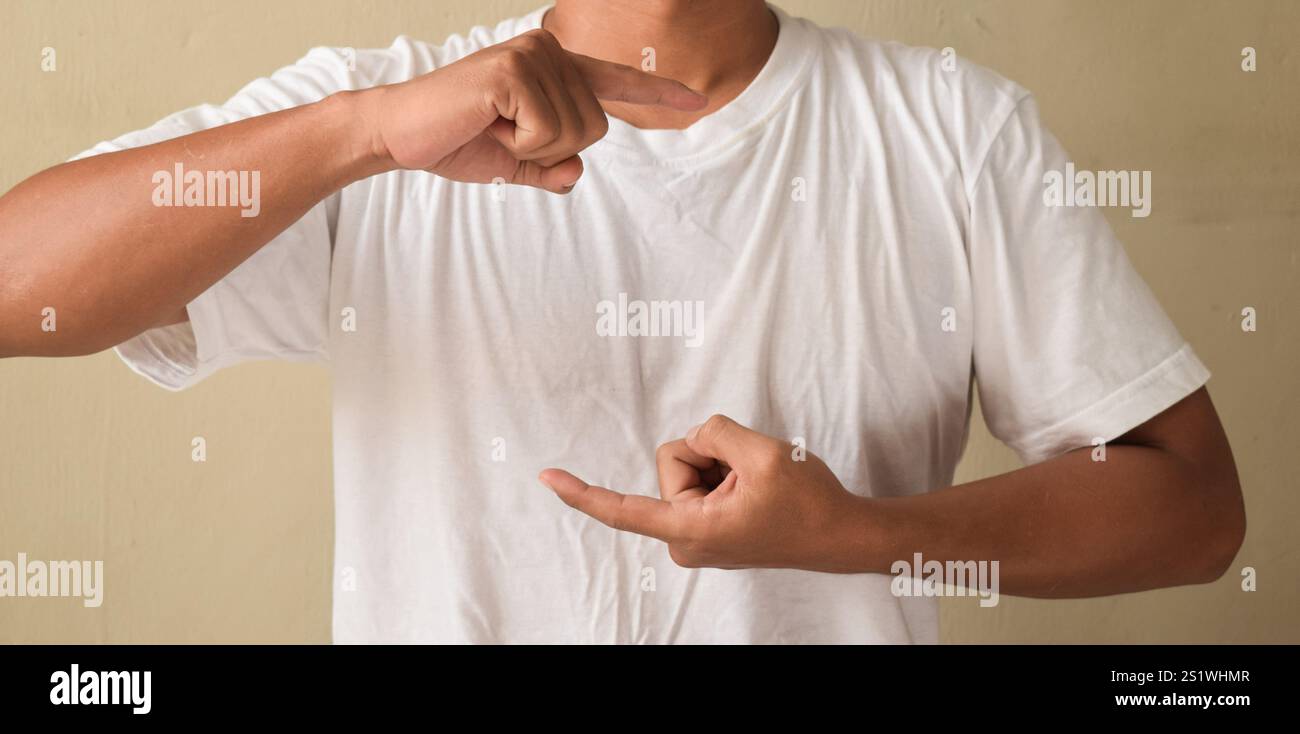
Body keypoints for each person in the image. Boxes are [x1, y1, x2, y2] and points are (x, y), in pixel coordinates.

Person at [0, 0, 1244, 643]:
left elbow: (1190, 509)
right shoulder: (374, 114)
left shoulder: (952, 127)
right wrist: (359, 134)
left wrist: (863, 534)